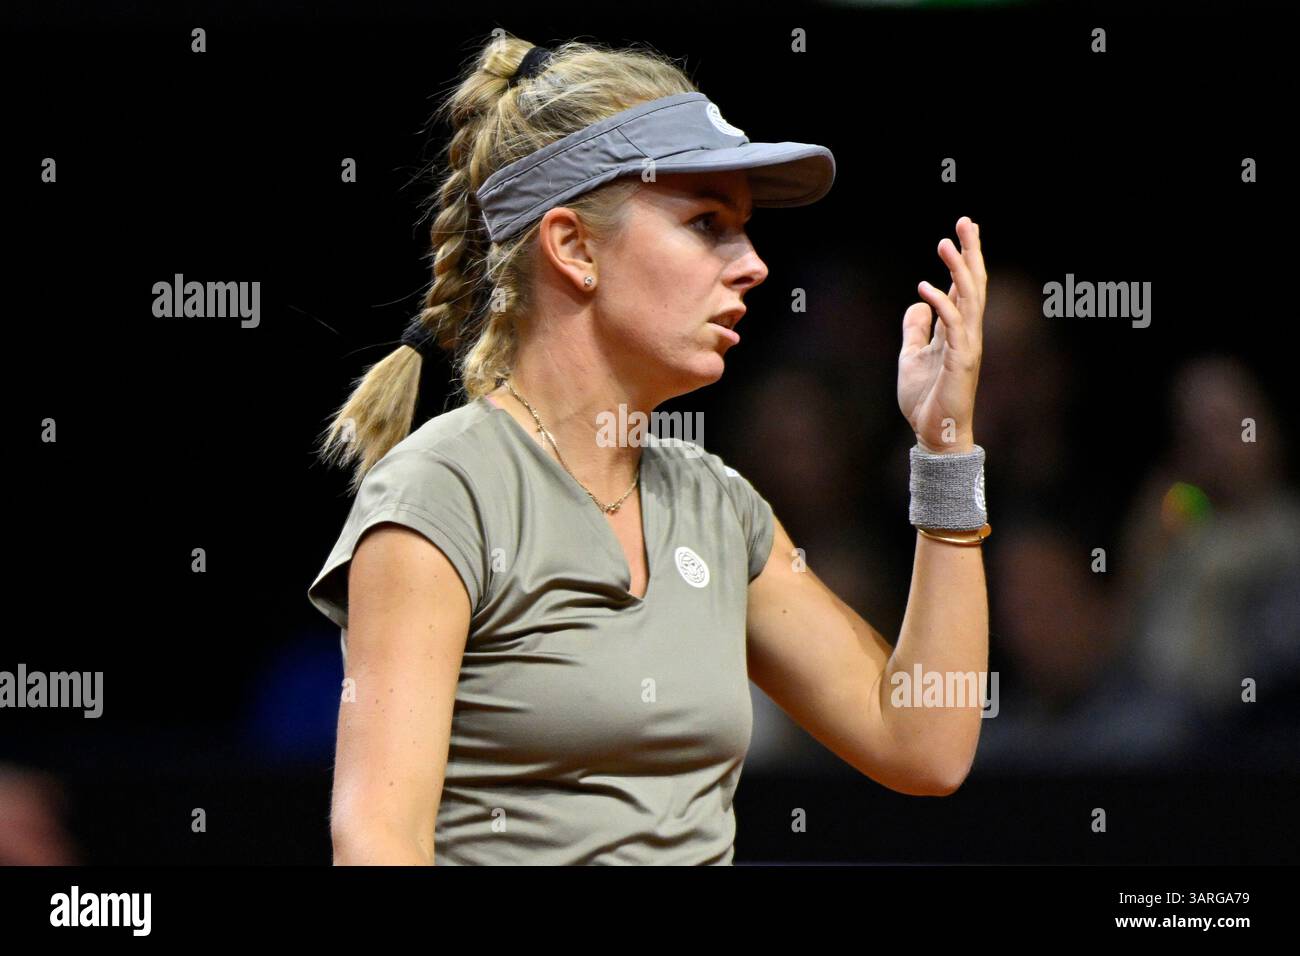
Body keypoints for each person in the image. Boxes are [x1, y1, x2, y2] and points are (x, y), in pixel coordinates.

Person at [307, 34, 990, 865]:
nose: (755, 266)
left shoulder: (717, 504)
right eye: (708, 224)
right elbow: (378, 841)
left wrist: (945, 449)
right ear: (574, 247)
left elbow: (923, 743)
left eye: (743, 229)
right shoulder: (442, 494)